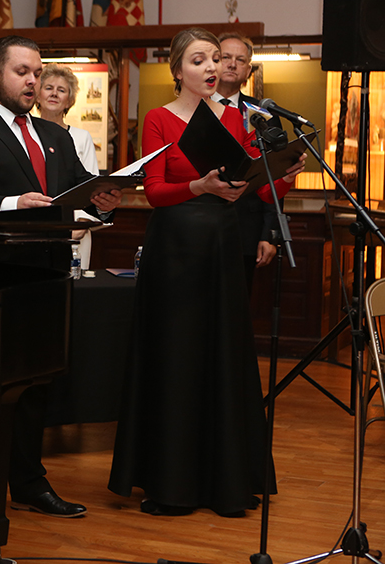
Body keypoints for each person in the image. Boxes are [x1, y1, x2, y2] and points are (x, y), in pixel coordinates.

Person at [107, 28, 305, 518]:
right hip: (175, 249)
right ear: (178, 71)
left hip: (219, 247)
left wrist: (280, 174)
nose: (212, 67)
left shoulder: (237, 118)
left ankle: (226, 481)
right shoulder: (157, 119)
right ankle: (170, 484)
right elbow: (153, 192)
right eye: (199, 60)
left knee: (224, 356)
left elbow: (253, 189)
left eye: (215, 59)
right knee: (176, 359)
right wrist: (199, 185)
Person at [0, 35, 122, 535]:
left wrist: (105, 198)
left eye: (37, 72)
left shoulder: (53, 136)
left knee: (38, 384)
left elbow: (82, 187)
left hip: (49, 273)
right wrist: (12, 203)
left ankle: (29, 482)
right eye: (22, 72)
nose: (33, 81)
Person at [213, 31, 284, 291]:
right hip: (197, 227)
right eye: (225, 57)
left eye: (240, 60)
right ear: (213, 63)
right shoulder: (191, 108)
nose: (232, 64)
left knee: (237, 311)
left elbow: (273, 176)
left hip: (246, 230)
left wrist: (269, 235)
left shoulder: (262, 115)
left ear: (248, 70)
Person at [36, 63, 100, 268]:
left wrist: (78, 227)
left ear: (69, 101)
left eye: (61, 90)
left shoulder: (81, 137)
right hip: (34, 231)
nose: (54, 93)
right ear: (36, 94)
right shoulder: (26, 135)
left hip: (75, 231)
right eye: (48, 88)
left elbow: (92, 189)